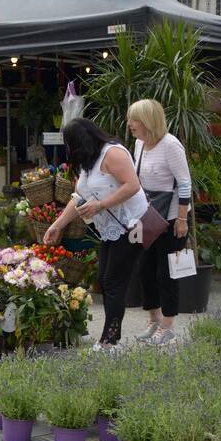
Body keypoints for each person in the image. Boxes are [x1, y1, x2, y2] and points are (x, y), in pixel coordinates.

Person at [43, 118, 148, 352]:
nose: (71, 151)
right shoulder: (86, 162)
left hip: (133, 225)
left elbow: (132, 185)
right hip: (111, 229)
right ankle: (109, 338)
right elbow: (79, 197)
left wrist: (100, 205)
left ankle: (111, 340)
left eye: (72, 144)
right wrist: (58, 225)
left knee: (113, 282)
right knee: (104, 279)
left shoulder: (113, 154)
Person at [127, 100, 193, 347]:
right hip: (148, 215)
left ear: (147, 121)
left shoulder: (171, 145)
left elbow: (185, 183)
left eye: (134, 119)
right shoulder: (139, 144)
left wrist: (182, 218)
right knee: (145, 269)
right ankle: (154, 319)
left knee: (167, 273)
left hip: (171, 219)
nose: (130, 124)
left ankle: (168, 325)